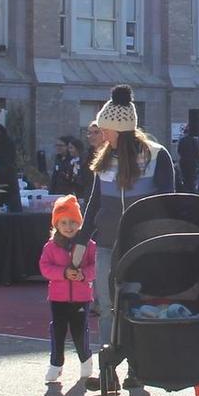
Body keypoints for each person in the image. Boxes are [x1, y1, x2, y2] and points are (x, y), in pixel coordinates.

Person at [82, 85, 176, 346]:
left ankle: (137, 365)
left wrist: (163, 242)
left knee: (137, 304)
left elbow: (169, 202)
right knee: (106, 304)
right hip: (107, 242)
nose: (101, 134)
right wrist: (81, 240)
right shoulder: (103, 159)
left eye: (105, 129)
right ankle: (108, 360)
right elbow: (94, 202)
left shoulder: (157, 156)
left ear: (119, 130)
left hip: (141, 245)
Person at [37, 195, 95, 387]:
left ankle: (86, 360)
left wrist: (83, 275)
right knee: (58, 331)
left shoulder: (88, 245)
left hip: (81, 297)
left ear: (79, 223)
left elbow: (96, 266)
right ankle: (56, 363)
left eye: (72, 222)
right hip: (58, 298)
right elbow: (45, 268)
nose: (68, 227)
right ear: (56, 224)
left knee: (80, 331)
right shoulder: (51, 247)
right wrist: (63, 273)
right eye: (63, 222)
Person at [177, 120, 199, 194]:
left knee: (185, 178)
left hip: (183, 162)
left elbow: (179, 151)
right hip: (192, 162)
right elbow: (197, 152)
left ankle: (186, 191)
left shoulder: (182, 140)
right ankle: (192, 192)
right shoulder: (194, 141)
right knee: (192, 178)